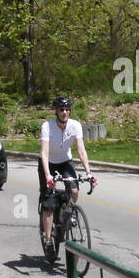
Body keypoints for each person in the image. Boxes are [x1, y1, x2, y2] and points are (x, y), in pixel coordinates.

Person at [39, 94, 96, 253]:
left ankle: (70, 212)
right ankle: (49, 240)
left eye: (67, 109)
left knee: (74, 189)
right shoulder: (47, 126)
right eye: (61, 109)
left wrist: (88, 172)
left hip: (65, 161)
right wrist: (48, 176)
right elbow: (44, 152)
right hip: (48, 162)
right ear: (56, 111)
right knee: (49, 204)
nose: (65, 112)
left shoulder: (75, 125)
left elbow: (81, 150)